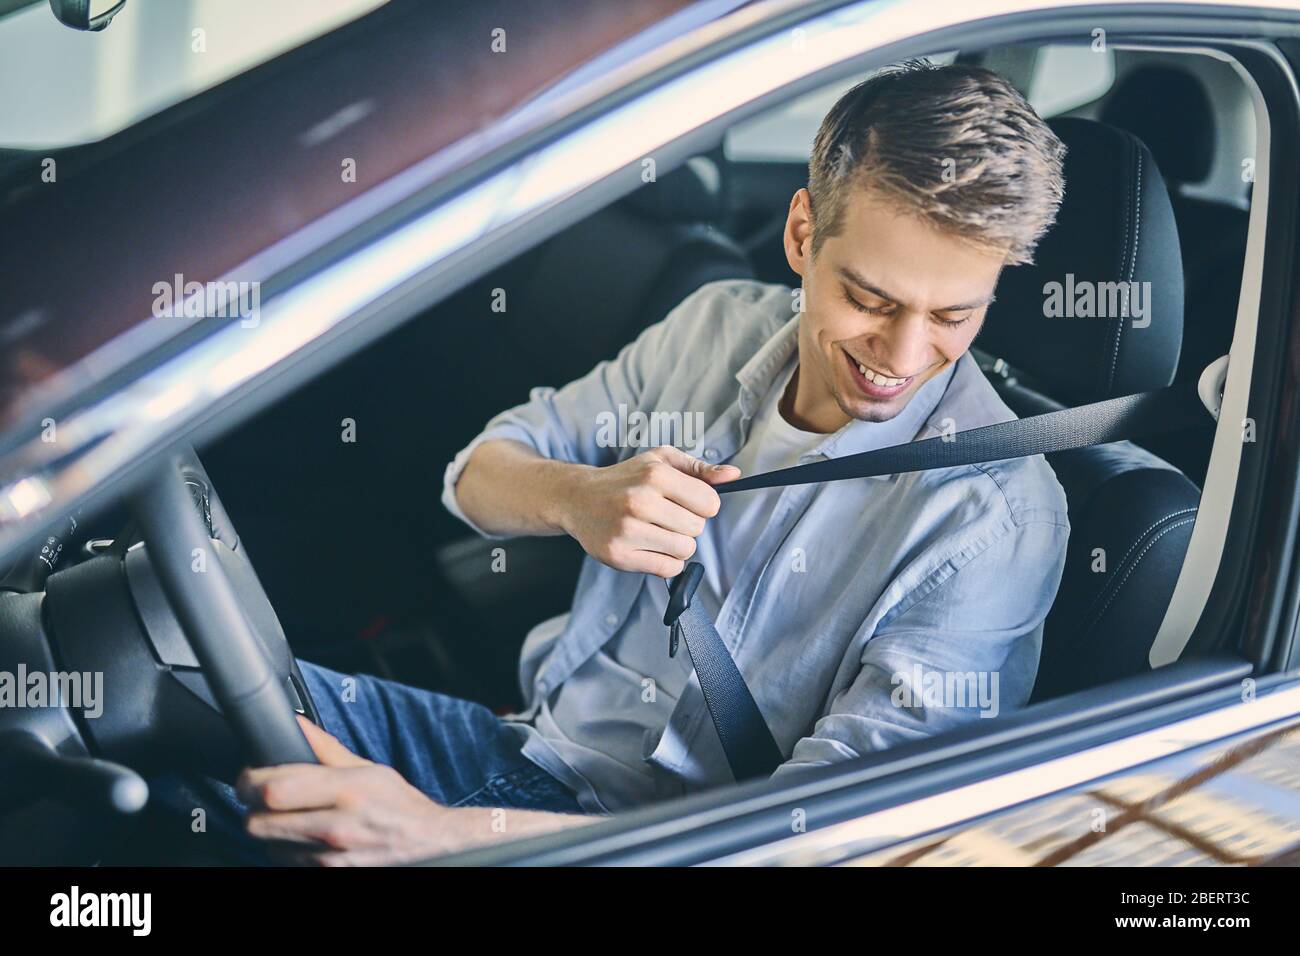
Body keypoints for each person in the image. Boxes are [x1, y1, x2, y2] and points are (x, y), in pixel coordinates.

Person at [218, 61, 1071, 865]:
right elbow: (474, 473)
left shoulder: (993, 518)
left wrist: (446, 842)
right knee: (177, 689)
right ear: (803, 231)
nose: (904, 352)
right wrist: (579, 497)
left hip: (656, 848)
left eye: (955, 315)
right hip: (520, 753)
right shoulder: (715, 326)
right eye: (869, 299)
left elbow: (825, 844)